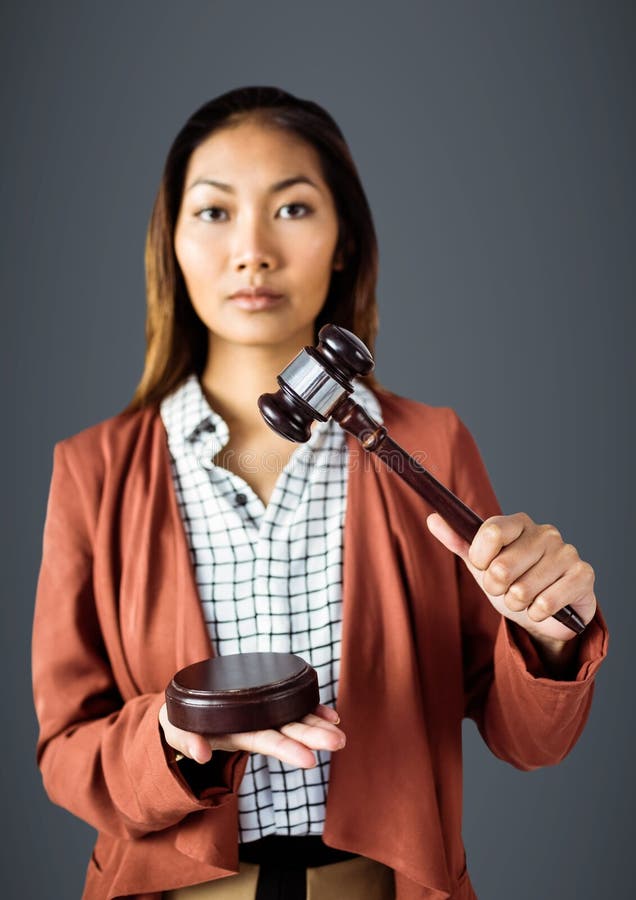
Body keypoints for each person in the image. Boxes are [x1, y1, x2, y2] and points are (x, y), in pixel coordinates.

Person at [32, 86, 609, 900]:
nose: (253, 250)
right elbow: (63, 750)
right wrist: (169, 735)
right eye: (214, 212)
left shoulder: (431, 445)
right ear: (171, 243)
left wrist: (550, 638)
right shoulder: (94, 470)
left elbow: (530, 740)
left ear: (344, 240)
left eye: (293, 209)